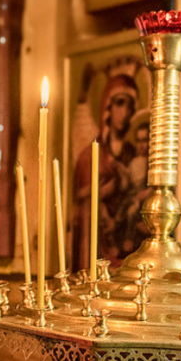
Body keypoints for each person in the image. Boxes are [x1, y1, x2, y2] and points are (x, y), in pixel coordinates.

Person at [72, 68, 142, 268]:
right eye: (120, 103)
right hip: (95, 254)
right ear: (107, 107)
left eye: (131, 106)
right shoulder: (89, 156)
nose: (125, 112)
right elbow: (80, 208)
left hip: (126, 254)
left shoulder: (134, 155)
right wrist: (101, 193)